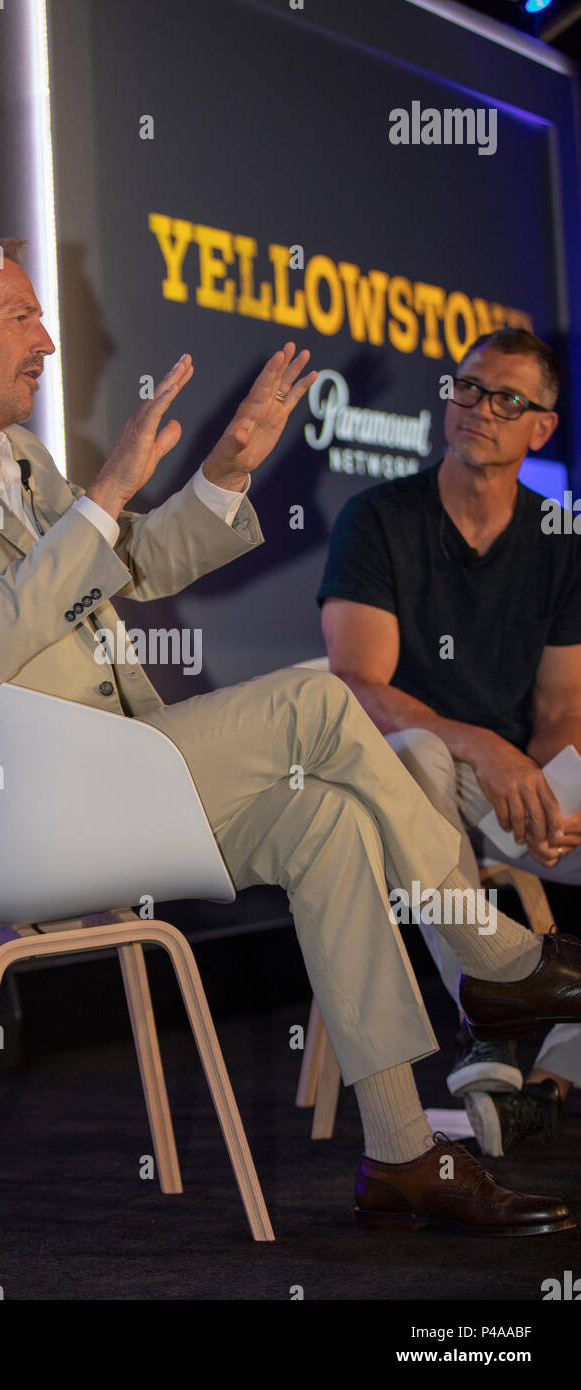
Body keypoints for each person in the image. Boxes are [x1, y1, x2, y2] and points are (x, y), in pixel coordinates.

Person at [0, 236, 581, 1234]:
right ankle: (488, 951)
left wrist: (220, 471)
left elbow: (126, 565)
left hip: (114, 779)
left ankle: (400, 1154)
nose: (48, 338)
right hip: (18, 810)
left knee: (323, 819)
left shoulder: (14, 456)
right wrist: (98, 496)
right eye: (22, 318)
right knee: (316, 699)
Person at [318, 328, 581, 1157]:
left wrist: (547, 785)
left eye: (509, 399)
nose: (480, 409)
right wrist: (482, 747)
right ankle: (486, 1017)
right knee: (421, 756)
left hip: (508, 782)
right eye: (467, 388)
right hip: (416, 780)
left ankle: (549, 1081)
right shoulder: (378, 519)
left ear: (542, 427)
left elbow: (564, 702)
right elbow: (359, 687)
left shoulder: (561, 536)